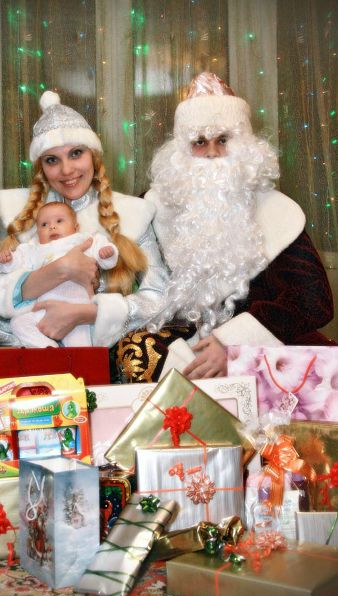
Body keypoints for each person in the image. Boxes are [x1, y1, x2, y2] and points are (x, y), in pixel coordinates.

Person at [0, 89, 179, 475]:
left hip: (90, 340)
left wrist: (88, 312)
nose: (66, 170)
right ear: (41, 167)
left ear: (93, 156)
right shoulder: (26, 215)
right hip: (25, 329)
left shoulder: (133, 215)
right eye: (52, 159)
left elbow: (159, 298)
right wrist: (59, 270)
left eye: (76, 154)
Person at [135, 71, 335, 380]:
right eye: (199, 142)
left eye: (223, 140)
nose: (212, 153)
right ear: (182, 150)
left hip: (257, 354)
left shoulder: (277, 212)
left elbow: (314, 301)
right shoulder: (152, 208)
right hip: (182, 350)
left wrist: (234, 343)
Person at [0, 201, 118, 348]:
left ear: (76, 227)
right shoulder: (34, 248)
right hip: (44, 308)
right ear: (37, 232)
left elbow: (104, 254)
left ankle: (77, 361)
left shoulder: (82, 239)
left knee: (80, 348)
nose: (52, 227)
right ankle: (47, 348)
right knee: (18, 323)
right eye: (44, 225)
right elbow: (17, 261)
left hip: (77, 307)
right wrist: (8, 260)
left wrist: (107, 254)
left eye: (59, 221)